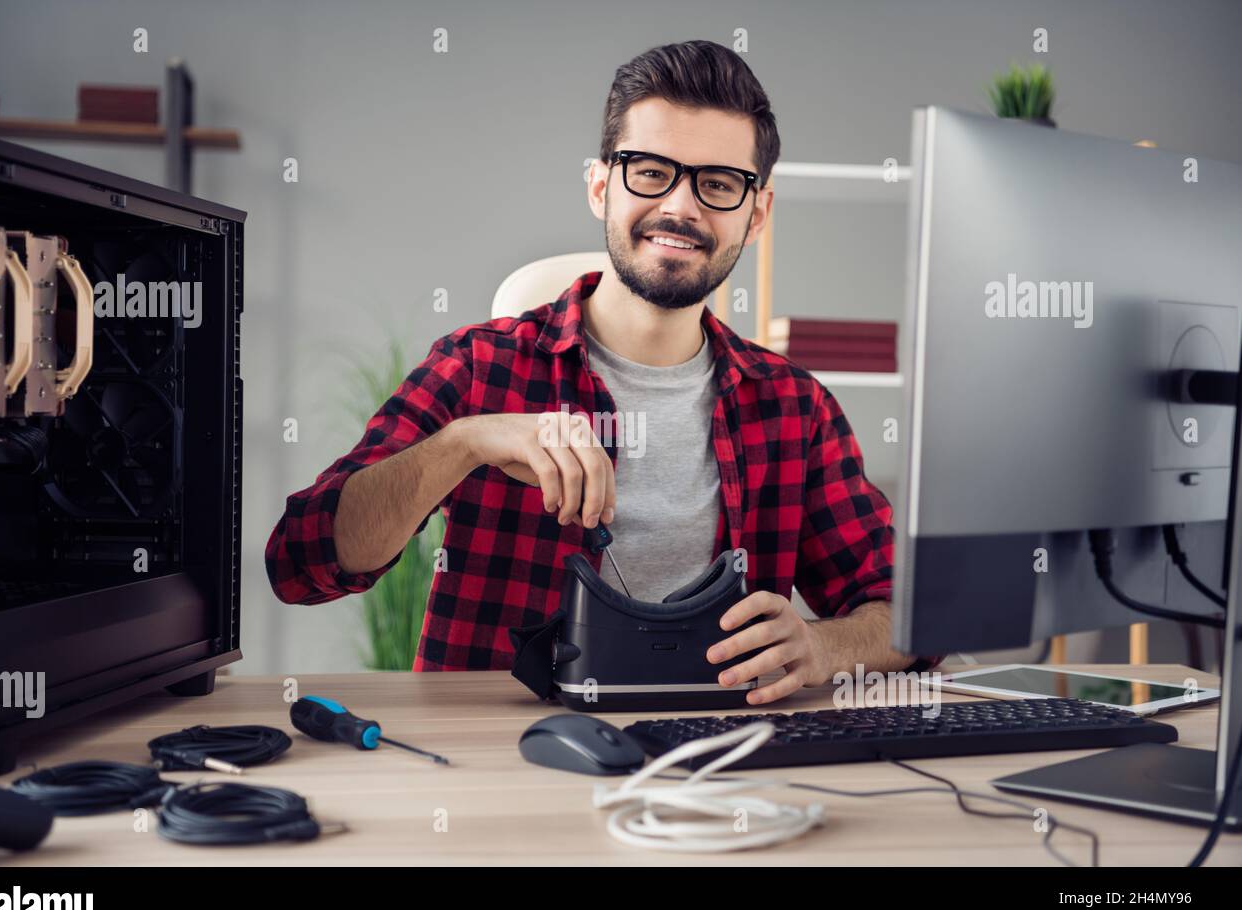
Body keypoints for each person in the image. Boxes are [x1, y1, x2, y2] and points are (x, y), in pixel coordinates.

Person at [266, 39, 941, 701]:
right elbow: (301, 560)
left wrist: (828, 647)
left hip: (716, 765)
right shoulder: (479, 368)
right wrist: (464, 443)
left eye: (717, 183)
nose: (680, 206)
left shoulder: (794, 409)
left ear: (756, 214)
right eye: (650, 170)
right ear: (600, 185)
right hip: (504, 764)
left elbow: (912, 613)